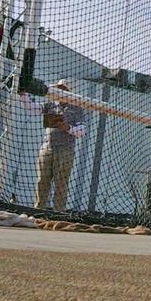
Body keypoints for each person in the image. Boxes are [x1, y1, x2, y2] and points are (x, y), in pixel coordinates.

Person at [32, 80, 86, 212]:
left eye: (62, 89)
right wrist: (23, 95)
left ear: (69, 92)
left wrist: (67, 128)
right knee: (42, 181)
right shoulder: (51, 104)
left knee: (61, 183)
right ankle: (38, 210)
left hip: (65, 150)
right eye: (58, 89)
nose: (59, 92)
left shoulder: (76, 108)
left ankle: (58, 212)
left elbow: (82, 131)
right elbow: (34, 108)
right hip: (47, 148)